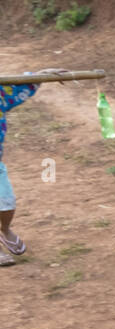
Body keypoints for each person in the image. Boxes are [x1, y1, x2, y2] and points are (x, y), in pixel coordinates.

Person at [0, 69, 70, 266]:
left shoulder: (0, 95)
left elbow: (19, 84)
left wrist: (40, 75)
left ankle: (4, 230)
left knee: (7, 204)